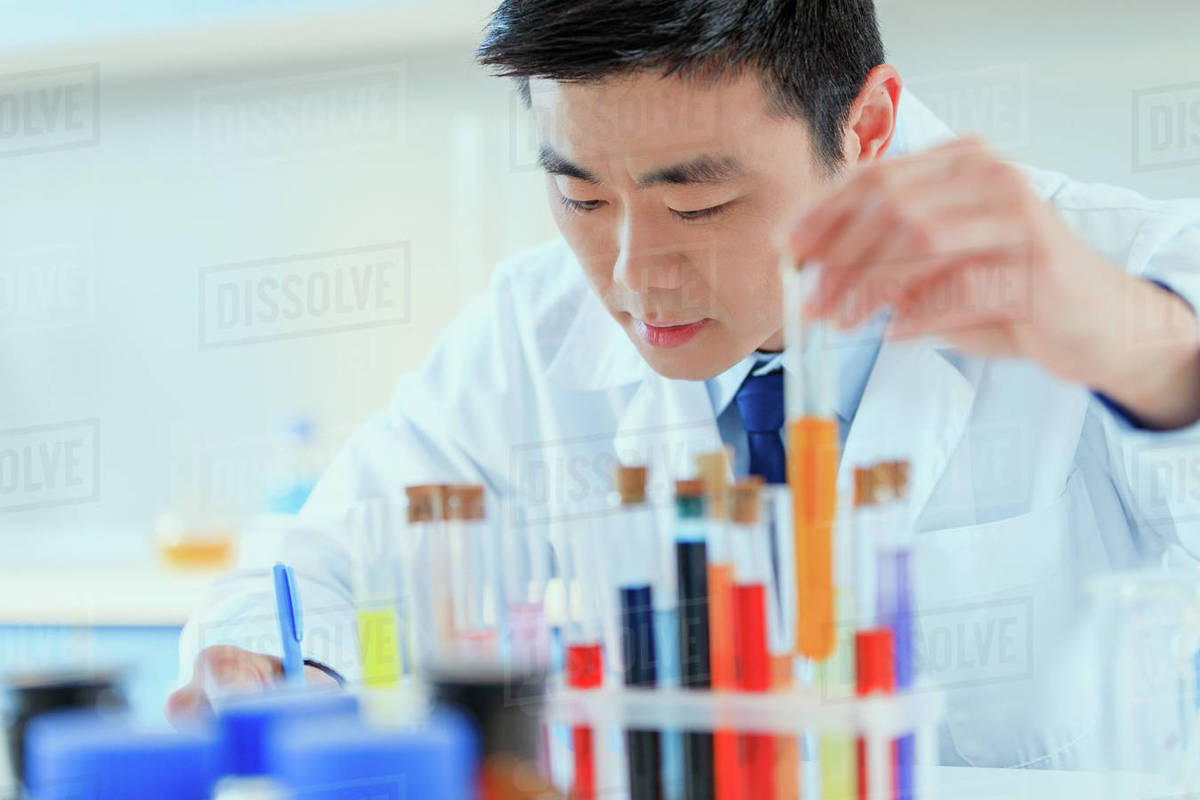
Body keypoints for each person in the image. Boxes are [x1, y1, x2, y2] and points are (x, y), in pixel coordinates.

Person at [169, 0, 1200, 769]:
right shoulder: (532, 330)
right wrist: (279, 669)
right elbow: (315, 572)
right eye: (578, 195)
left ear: (869, 124)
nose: (633, 275)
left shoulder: (1118, 264)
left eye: (698, 202)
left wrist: (1140, 346)